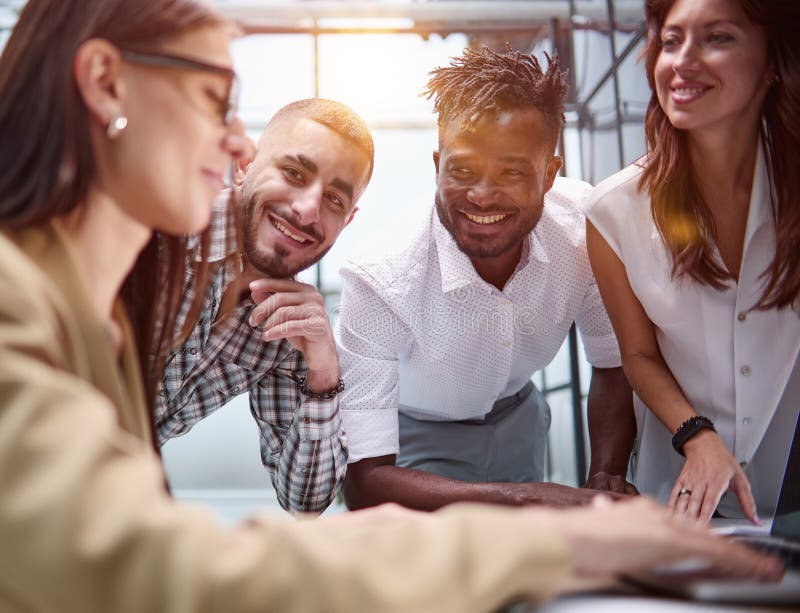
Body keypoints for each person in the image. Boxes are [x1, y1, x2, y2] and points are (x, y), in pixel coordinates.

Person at [0, 2, 784, 611]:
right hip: (420, 440)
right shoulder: (19, 300)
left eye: (338, 196)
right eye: (215, 97)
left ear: (550, 172)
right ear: (106, 84)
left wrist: (590, 491)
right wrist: (544, 535)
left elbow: (273, 512)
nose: (237, 144)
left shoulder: (107, 306)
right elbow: (163, 572)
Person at [337, 46, 638, 512]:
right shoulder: (379, 278)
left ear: (549, 174)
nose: (481, 196)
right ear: (437, 164)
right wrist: (525, 495)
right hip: (412, 446)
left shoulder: (585, 230)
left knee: (528, 574)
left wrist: (606, 475)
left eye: (512, 172)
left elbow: (613, 364)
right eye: (462, 170)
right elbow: (365, 482)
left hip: (520, 416)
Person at [585, 0, 800, 524]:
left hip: (788, 490)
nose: (682, 60)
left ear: (773, 62)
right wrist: (696, 435)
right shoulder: (613, 210)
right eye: (672, 40)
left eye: (717, 38)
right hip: (682, 497)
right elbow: (637, 355)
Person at [156, 98, 372, 513]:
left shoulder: (287, 333)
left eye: (334, 201)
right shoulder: (161, 229)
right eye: (294, 173)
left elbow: (304, 502)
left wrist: (324, 374)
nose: (308, 210)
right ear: (245, 165)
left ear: (346, 222)